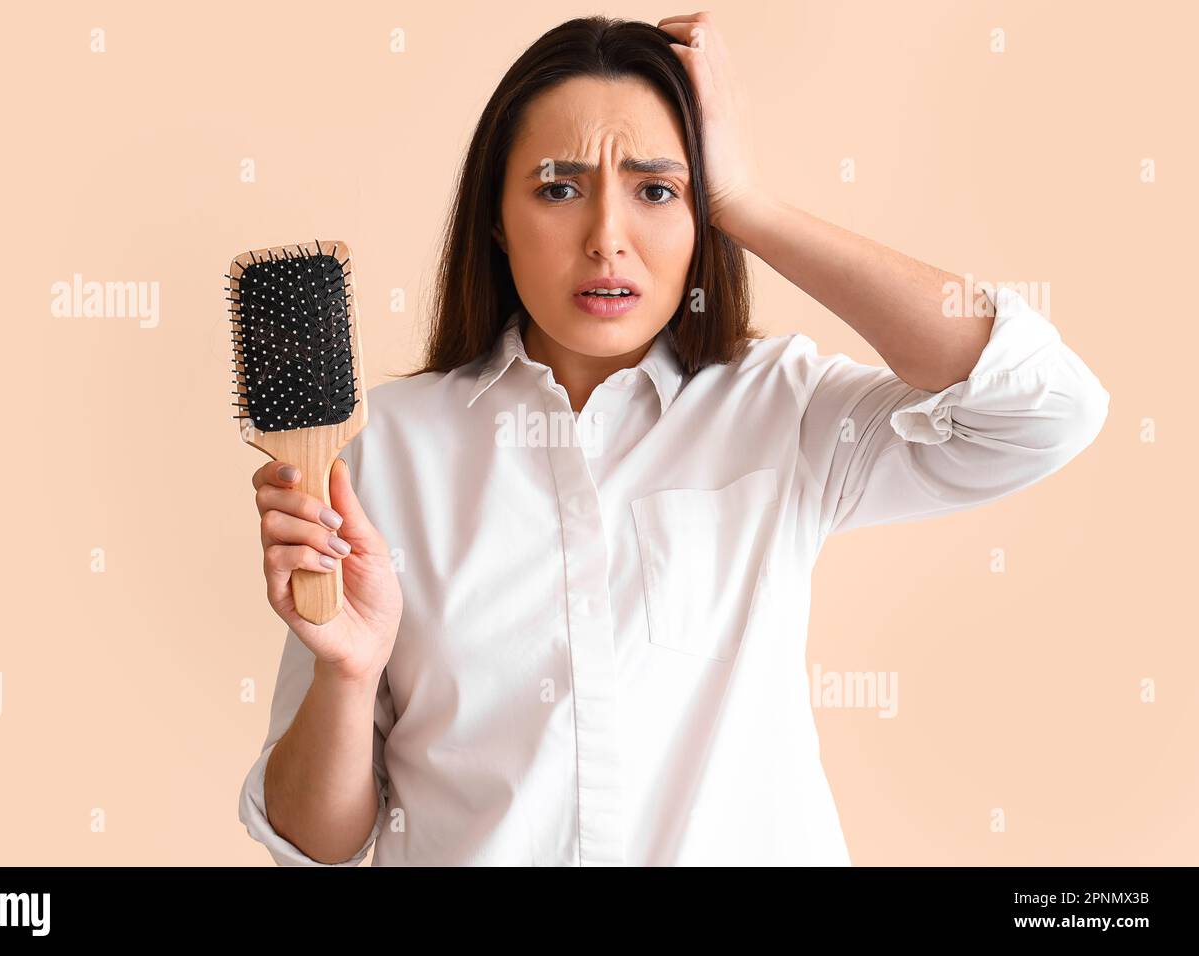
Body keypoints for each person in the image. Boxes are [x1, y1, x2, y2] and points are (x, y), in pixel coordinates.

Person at [238, 13, 1109, 865]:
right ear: (497, 219)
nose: (607, 240)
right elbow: (318, 843)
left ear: (704, 223)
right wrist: (349, 677)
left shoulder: (784, 411)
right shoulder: (381, 447)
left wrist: (751, 206)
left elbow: (1045, 410)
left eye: (659, 190)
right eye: (558, 187)